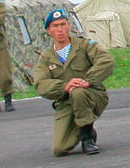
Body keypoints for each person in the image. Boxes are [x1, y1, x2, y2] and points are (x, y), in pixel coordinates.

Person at [33, 9, 112, 156]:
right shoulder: (46, 57)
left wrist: (88, 81)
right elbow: (40, 83)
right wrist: (64, 86)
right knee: (59, 149)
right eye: (55, 26)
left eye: (63, 24)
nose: (60, 29)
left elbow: (106, 60)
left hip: (92, 96)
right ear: (48, 30)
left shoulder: (84, 46)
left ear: (69, 26)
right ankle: (86, 127)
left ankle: (87, 137)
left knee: (78, 91)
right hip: (67, 102)